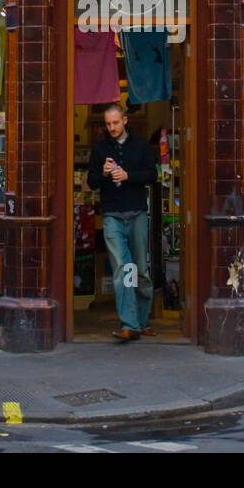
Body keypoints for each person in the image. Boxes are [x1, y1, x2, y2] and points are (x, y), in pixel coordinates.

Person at [87, 102, 156, 341]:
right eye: (108, 124)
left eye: (116, 122)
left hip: (137, 213)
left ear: (125, 120)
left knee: (141, 270)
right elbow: (92, 182)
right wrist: (104, 174)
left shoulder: (140, 145)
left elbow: (152, 176)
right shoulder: (99, 149)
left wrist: (128, 176)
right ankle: (129, 324)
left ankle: (142, 320)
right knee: (123, 270)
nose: (112, 127)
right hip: (112, 215)